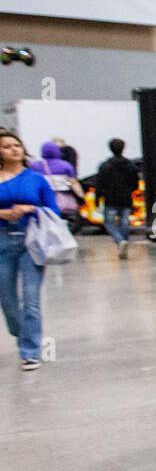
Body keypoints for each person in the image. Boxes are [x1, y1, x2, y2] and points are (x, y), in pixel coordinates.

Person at [0, 131, 58, 370]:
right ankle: (21, 331)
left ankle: (30, 351)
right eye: (7, 146)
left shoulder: (36, 179)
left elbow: (53, 210)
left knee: (30, 300)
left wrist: (29, 210)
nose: (15, 150)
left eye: (17, 145)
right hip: (2, 242)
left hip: (31, 242)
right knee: (8, 302)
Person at [97, 138, 137, 260]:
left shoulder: (104, 166)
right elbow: (135, 184)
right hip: (126, 198)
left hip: (110, 199)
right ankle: (124, 240)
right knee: (124, 222)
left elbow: (99, 184)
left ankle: (120, 241)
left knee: (109, 222)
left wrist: (97, 199)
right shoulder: (130, 165)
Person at [32, 140, 83, 218]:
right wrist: (81, 196)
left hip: (42, 200)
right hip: (63, 198)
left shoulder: (35, 166)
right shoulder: (66, 166)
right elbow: (71, 183)